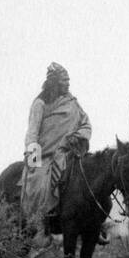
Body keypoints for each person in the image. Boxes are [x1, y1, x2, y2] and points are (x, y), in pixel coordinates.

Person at [21, 62, 103, 240]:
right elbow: (32, 133)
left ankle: (96, 225)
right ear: (54, 83)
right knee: (38, 184)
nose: (68, 84)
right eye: (64, 81)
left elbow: (86, 124)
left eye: (68, 80)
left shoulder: (72, 102)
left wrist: (78, 136)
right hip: (46, 156)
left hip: (72, 151)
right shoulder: (40, 104)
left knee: (93, 176)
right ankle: (39, 223)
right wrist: (34, 161)